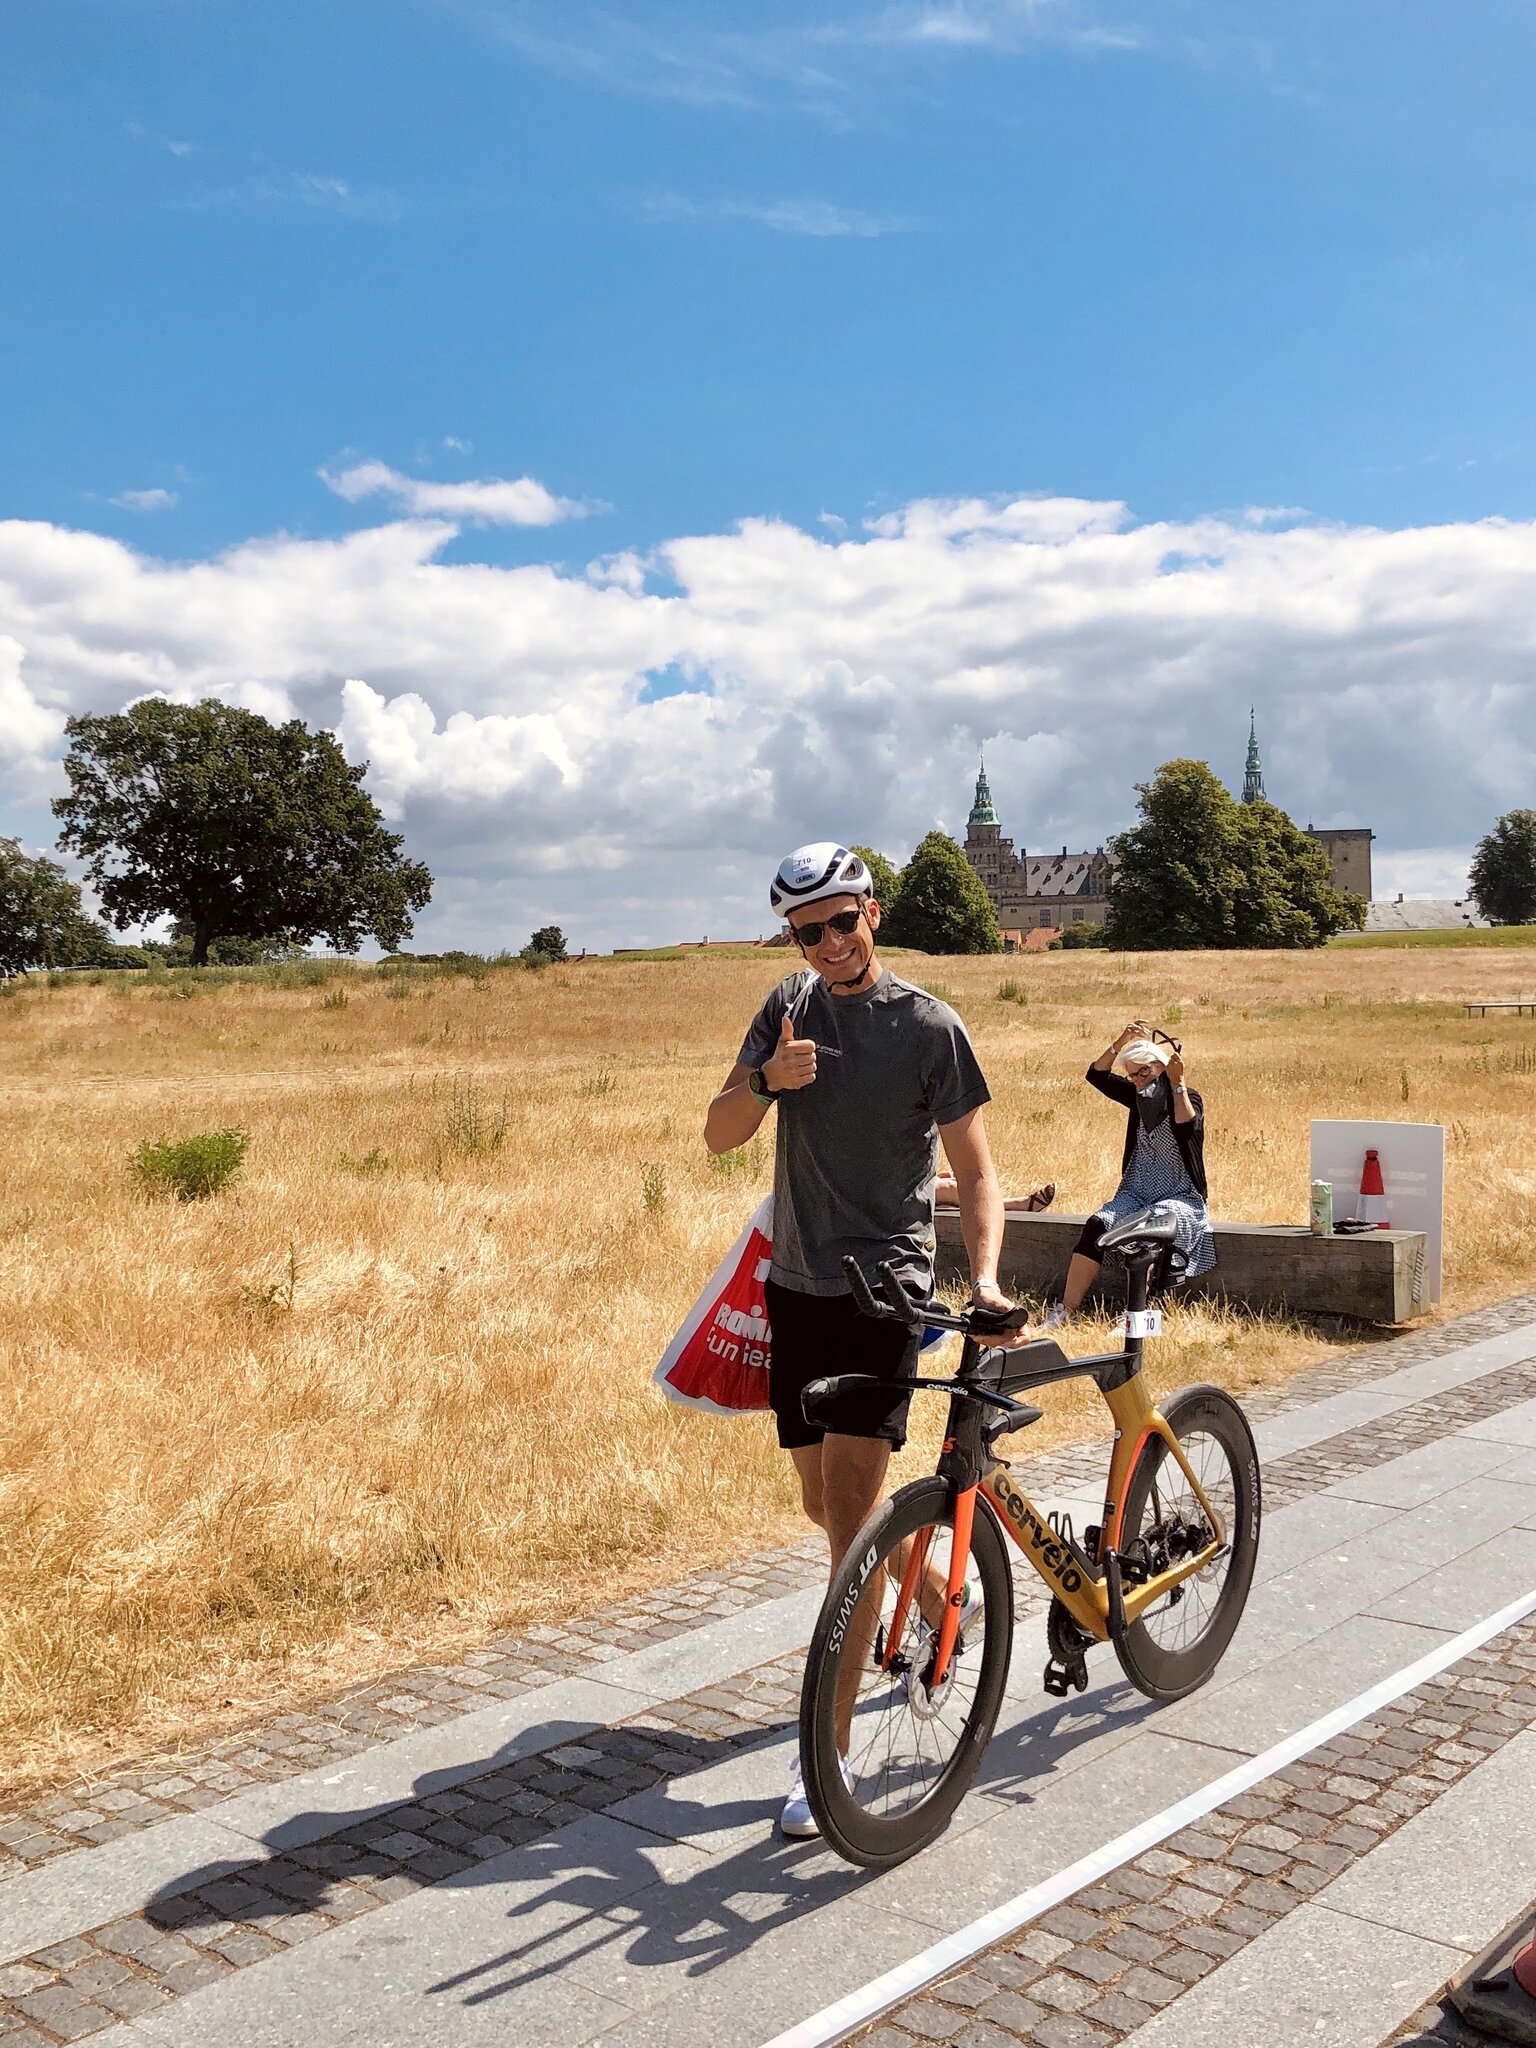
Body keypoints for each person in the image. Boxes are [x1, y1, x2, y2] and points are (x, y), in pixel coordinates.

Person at [704, 842, 1026, 1839]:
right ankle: (935, 1592)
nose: (830, 943)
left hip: (884, 1291)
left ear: (872, 914)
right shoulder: (785, 1011)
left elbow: (975, 1172)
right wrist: (767, 1077)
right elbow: (717, 1132)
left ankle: (828, 1758)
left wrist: (986, 1277)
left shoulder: (931, 1027)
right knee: (823, 1499)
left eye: (843, 921)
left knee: (847, 1533)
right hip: (797, 1287)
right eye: (809, 931)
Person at [1045, 1018, 1215, 1324]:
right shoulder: (1138, 1098)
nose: (1138, 1080)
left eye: (1144, 1072)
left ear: (1161, 1066)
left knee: (1149, 1229)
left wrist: (1178, 1084)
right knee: (1098, 1223)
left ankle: (1137, 1317)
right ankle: (1066, 1311)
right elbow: (1096, 1074)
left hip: (1180, 1194)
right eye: (1133, 1075)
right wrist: (1122, 1040)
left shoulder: (1189, 1097)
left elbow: (1188, 1126)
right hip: (1137, 1189)